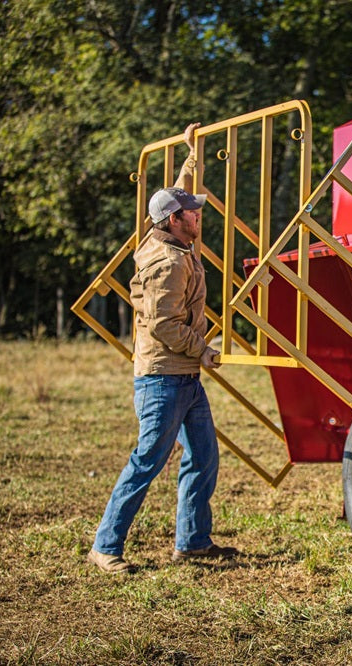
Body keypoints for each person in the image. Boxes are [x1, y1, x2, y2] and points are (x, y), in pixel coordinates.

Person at [87, 122, 237, 573]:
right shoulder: (166, 262)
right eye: (192, 213)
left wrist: (193, 153)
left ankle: (191, 542)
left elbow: (180, 190)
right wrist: (203, 350)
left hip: (183, 377)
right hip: (164, 378)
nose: (198, 216)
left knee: (203, 456)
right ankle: (105, 547)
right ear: (175, 220)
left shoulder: (173, 237)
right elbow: (163, 327)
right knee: (147, 462)